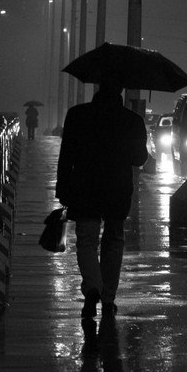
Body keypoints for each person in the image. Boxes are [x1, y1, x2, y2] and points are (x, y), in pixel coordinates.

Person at [55, 75, 148, 319]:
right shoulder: (132, 120)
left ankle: (92, 288)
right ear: (121, 90)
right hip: (117, 190)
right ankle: (108, 299)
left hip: (84, 188)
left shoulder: (77, 115)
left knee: (86, 240)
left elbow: (66, 156)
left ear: (97, 87)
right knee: (114, 240)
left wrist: (62, 186)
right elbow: (140, 159)